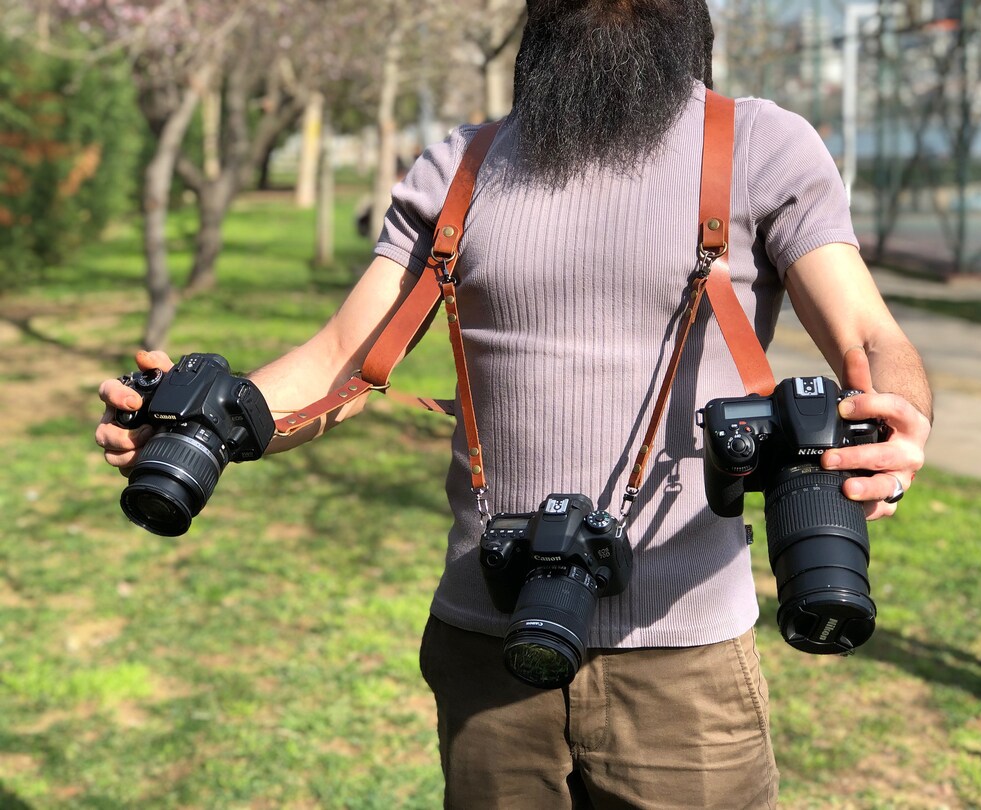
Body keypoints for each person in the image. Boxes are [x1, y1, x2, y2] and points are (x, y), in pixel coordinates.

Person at [97, 1, 933, 807]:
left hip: (683, 665)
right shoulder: (459, 167)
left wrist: (900, 417)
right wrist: (201, 422)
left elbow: (870, 336)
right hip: (485, 647)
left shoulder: (759, 146)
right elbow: (339, 361)